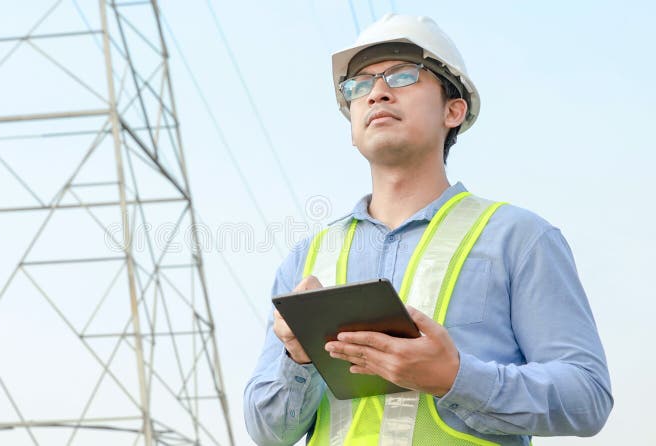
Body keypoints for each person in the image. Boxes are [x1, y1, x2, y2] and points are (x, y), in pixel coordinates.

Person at [243, 13, 612, 446]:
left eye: (402, 75)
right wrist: (297, 358)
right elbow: (267, 434)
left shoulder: (520, 239)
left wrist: (456, 378)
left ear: (453, 110)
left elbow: (587, 398)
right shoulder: (307, 259)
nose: (377, 93)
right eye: (359, 86)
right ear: (351, 126)